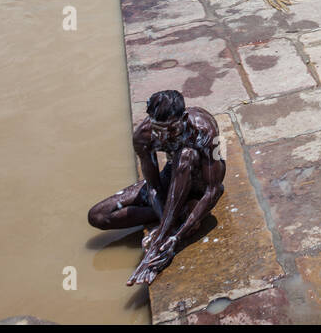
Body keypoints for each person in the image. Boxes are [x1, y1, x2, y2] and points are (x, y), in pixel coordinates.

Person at [87, 90, 225, 287]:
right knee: (98, 215)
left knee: (185, 155)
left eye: (171, 129)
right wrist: (165, 227)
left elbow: (213, 189)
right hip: (175, 174)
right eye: (158, 129)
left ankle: (181, 215)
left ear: (184, 118)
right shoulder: (143, 137)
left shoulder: (205, 130)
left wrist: (173, 239)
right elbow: (153, 186)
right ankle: (181, 213)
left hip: (199, 180)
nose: (163, 136)